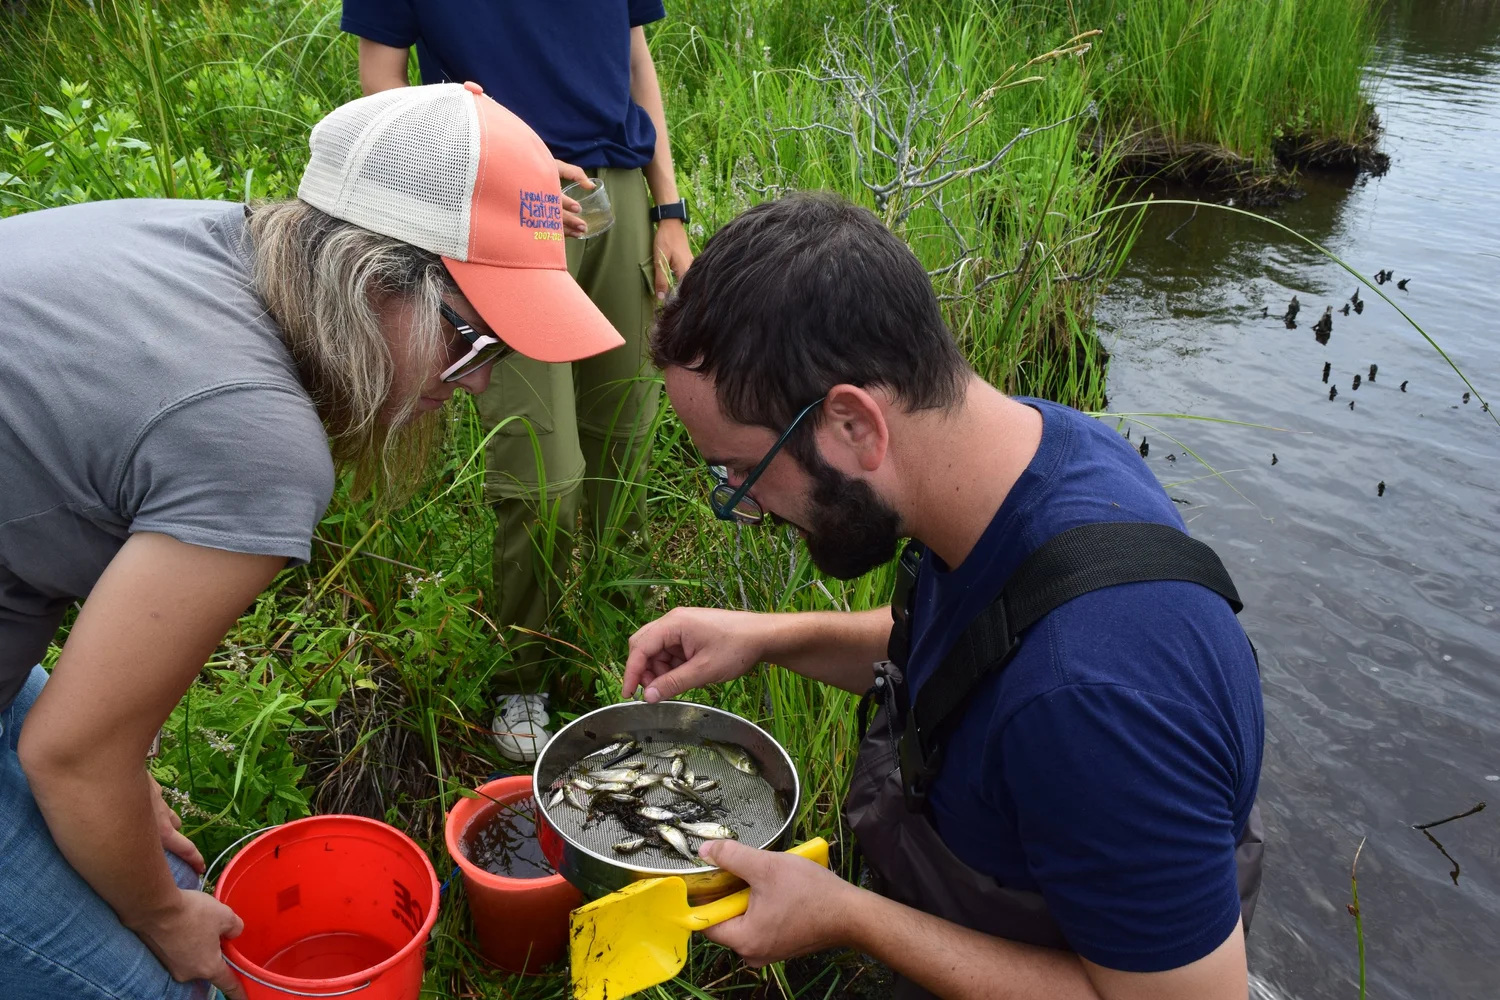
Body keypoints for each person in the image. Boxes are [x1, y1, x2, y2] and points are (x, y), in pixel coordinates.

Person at [0, 83, 622, 1000]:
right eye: (472, 339)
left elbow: (84, 747)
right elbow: (71, 756)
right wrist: (162, 916)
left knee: (146, 856)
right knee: (170, 980)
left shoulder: (208, 239)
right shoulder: (259, 440)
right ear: (371, 275)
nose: (481, 384)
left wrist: (111, 781)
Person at [623, 193, 1266, 1000]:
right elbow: (979, 651)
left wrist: (849, 916)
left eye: (742, 475)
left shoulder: (1098, 702)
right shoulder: (1024, 457)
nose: (747, 508)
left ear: (854, 425)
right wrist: (769, 637)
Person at [341, 0, 694, 762]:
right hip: (504, 215)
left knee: (623, 449)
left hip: (617, 197)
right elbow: (384, 85)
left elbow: (635, 57)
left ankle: (628, 650)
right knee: (540, 478)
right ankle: (523, 676)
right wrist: (488, 181)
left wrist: (668, 208)